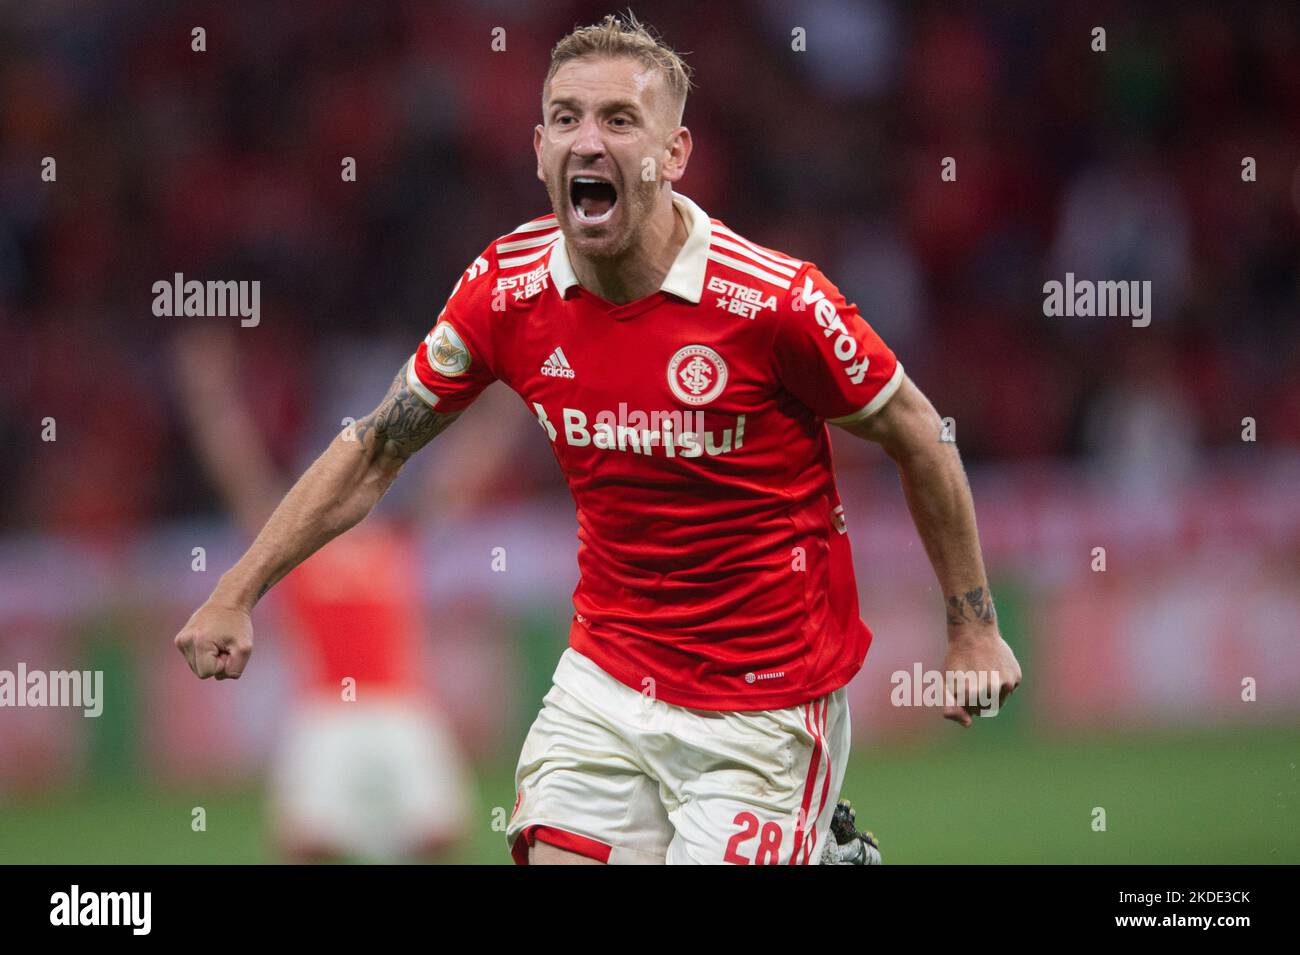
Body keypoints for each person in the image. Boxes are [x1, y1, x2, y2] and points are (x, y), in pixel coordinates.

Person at [174, 14, 1021, 865]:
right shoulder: (505, 291)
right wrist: (238, 588)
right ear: (539, 147)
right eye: (568, 118)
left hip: (764, 700)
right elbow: (373, 449)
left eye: (619, 119)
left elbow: (917, 431)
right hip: (608, 679)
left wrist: (972, 627)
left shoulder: (774, 302)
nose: (589, 140)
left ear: (675, 152)